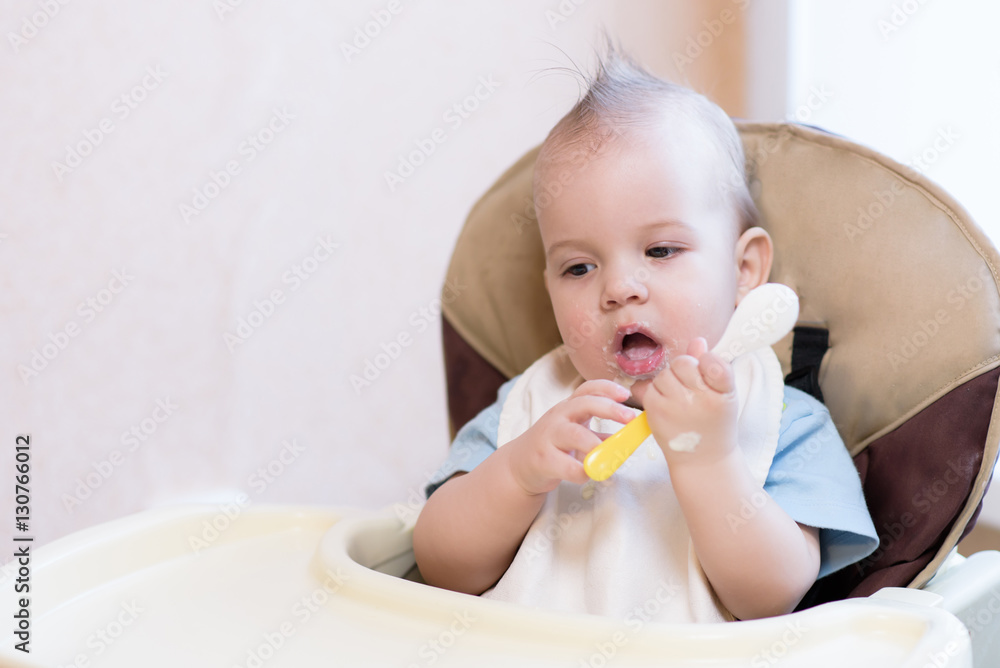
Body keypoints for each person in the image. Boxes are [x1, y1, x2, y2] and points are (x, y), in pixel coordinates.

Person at [412, 45, 878, 622]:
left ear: (744, 271)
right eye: (579, 267)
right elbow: (439, 566)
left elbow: (773, 596)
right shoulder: (532, 407)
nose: (619, 288)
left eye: (661, 250)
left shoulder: (780, 419)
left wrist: (709, 461)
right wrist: (515, 475)